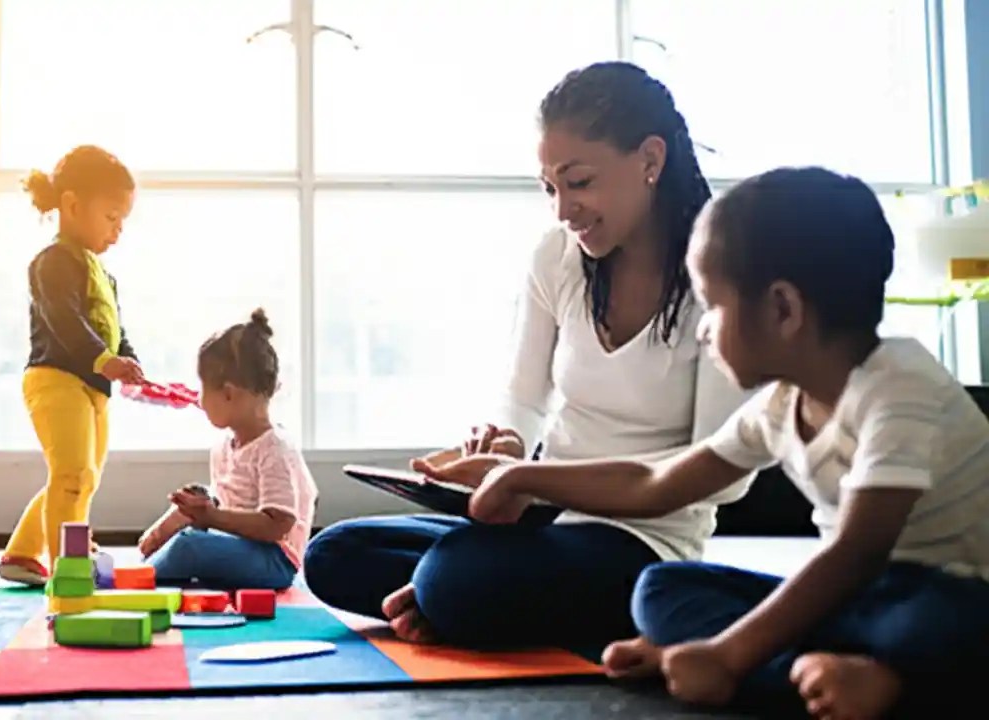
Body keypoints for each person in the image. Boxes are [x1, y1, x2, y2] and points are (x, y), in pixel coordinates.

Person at [433, 167, 989, 720]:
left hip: (943, 597)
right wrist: (521, 476)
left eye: (713, 306)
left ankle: (872, 682)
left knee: (939, 619)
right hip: (855, 604)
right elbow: (656, 484)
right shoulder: (778, 409)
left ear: (782, 310)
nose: (702, 329)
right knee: (663, 590)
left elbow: (859, 551)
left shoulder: (900, 389)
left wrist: (728, 651)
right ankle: (827, 676)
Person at [303, 61, 748, 649]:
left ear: (649, 160)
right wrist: (505, 449)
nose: (564, 210)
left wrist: (528, 477)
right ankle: (465, 597)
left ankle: (461, 595)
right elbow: (524, 400)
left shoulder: (719, 281)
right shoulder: (557, 258)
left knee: (456, 578)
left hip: (644, 543)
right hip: (545, 518)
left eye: (580, 182)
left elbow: (721, 479)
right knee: (335, 553)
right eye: (550, 188)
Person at [0, 145, 145, 586]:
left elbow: (113, 328)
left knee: (84, 475)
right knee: (73, 474)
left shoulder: (103, 273)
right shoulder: (51, 263)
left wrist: (128, 360)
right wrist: (104, 359)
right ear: (74, 205)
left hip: (94, 385)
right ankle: (69, 566)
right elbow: (65, 320)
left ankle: (24, 553)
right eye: (111, 217)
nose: (117, 230)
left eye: (123, 221)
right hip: (56, 378)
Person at [139, 310, 317, 590]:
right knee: (188, 536)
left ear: (229, 393)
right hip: (239, 546)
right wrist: (165, 528)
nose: (199, 398)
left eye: (203, 388)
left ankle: (131, 581)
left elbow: (277, 525)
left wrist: (211, 517)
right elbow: (220, 501)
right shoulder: (225, 447)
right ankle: (152, 572)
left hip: (274, 560)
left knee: (190, 546)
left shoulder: (275, 449)